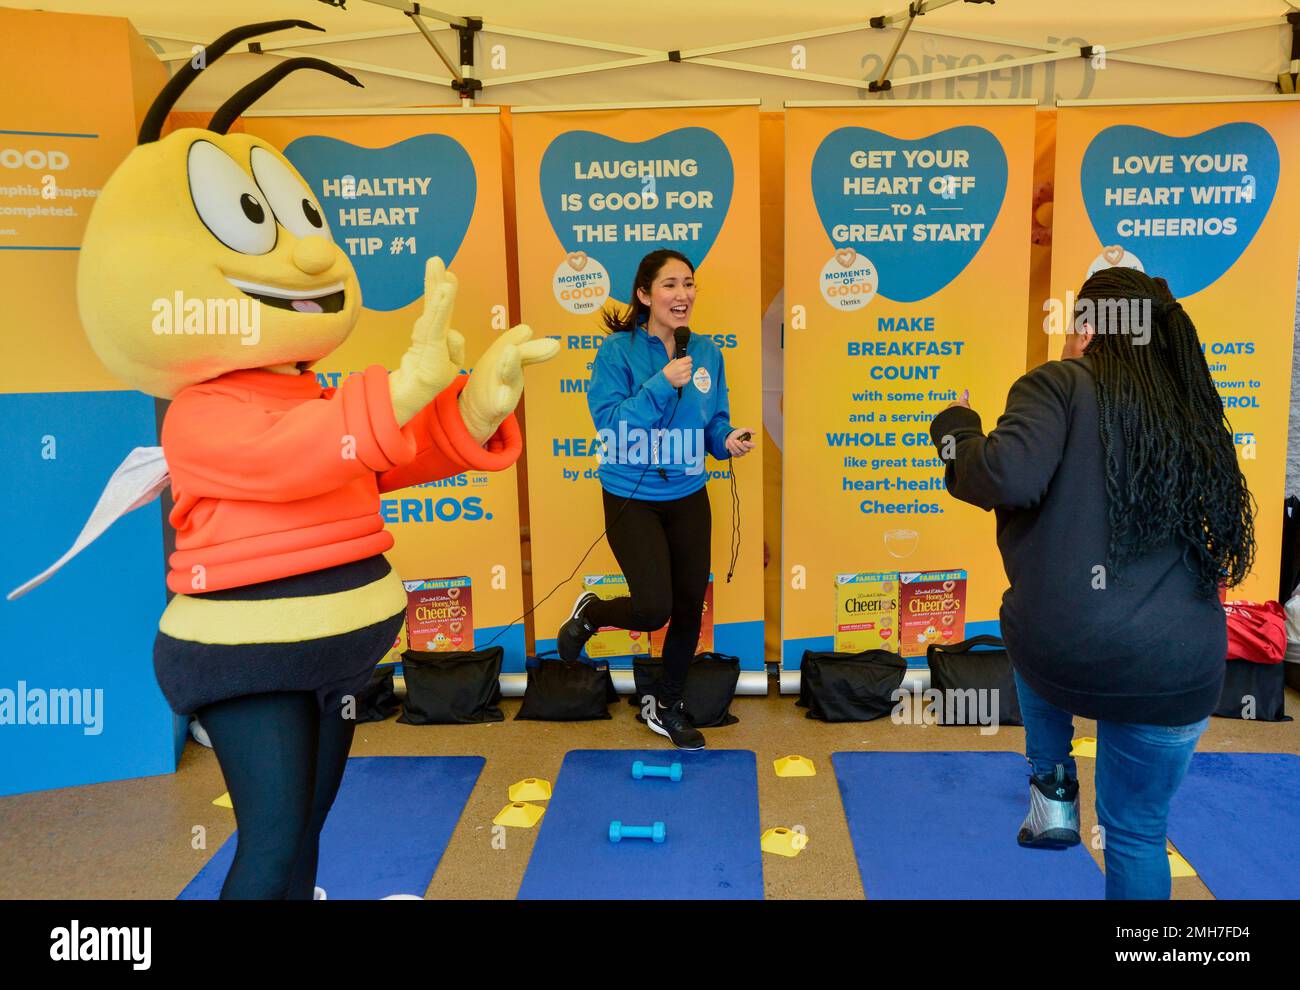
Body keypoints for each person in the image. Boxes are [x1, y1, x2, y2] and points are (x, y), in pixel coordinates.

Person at [929, 266, 1254, 899]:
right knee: (1136, 835)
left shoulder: (1058, 384)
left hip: (1069, 649)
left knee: (1027, 623)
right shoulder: (1192, 406)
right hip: (1179, 666)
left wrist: (956, 430)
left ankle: (1052, 790)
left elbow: (1003, 477)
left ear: (1085, 329)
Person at [555, 249, 754, 750]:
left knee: (690, 607)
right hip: (631, 495)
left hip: (689, 492)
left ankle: (667, 706)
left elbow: (713, 420)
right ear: (645, 295)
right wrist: (662, 385)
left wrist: (726, 440)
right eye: (669, 285)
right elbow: (612, 428)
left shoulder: (706, 353)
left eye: (688, 284)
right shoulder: (617, 354)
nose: (682, 295)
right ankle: (593, 613)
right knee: (653, 608)